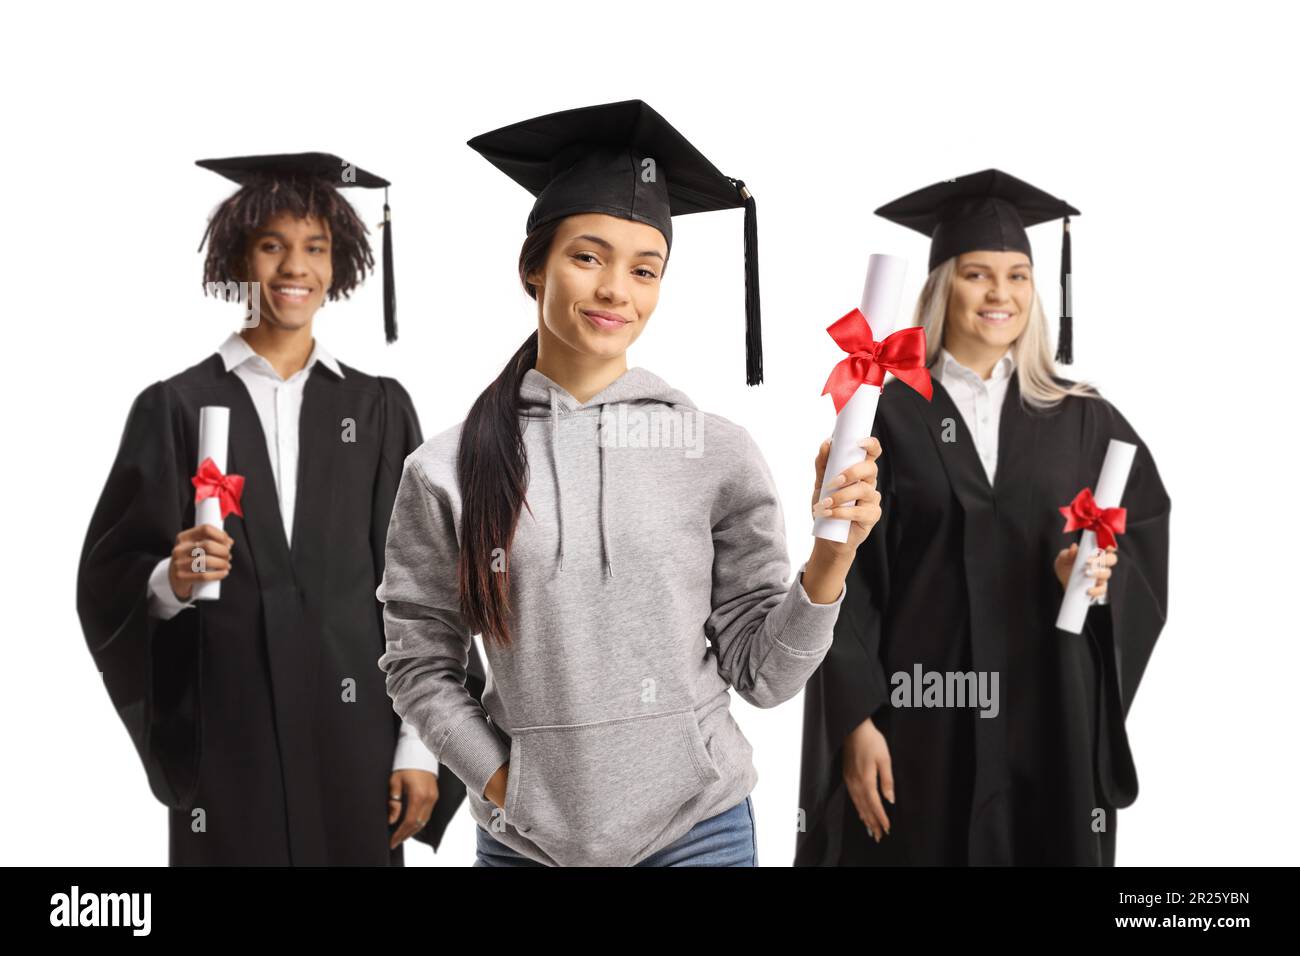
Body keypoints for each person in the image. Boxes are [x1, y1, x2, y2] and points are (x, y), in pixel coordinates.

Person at [377, 100, 878, 867]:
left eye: (645, 269)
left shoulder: (715, 452)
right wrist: (505, 781)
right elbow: (420, 662)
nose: (617, 289)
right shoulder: (445, 469)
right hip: (526, 844)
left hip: (699, 832)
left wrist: (831, 559)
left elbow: (766, 677)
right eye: (588, 256)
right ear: (532, 267)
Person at [76, 152, 483, 865]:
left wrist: (419, 745)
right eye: (272, 246)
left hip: (355, 737)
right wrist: (169, 581)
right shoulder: (174, 406)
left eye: (315, 248)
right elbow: (107, 579)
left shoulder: (378, 410)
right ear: (237, 258)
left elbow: (424, 588)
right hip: (227, 738)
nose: (295, 267)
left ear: (340, 263)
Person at [796, 169, 1171, 866]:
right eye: (977, 273)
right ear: (942, 285)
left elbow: (1137, 540)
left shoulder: (1083, 416)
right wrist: (853, 721)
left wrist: (1085, 581)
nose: (1001, 294)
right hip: (917, 717)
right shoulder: (886, 409)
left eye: (1019, 276)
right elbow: (848, 573)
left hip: (1048, 713)